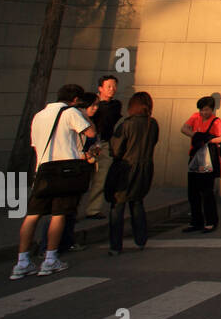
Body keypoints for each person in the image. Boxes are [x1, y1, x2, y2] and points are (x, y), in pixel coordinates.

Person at [11, 84, 98, 280]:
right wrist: (84, 115)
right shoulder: (71, 112)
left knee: (32, 215)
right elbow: (91, 133)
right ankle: (50, 258)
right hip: (65, 170)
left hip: (43, 169)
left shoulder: (39, 115)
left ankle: (22, 262)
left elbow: (35, 145)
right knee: (59, 214)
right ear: (76, 100)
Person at [106, 92, 159, 255]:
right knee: (137, 202)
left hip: (126, 167)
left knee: (117, 206)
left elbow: (116, 149)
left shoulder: (127, 124)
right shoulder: (152, 124)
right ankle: (141, 239)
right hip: (144, 167)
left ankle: (116, 245)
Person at [181, 96, 221, 233]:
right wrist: (195, 135)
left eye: (206, 110)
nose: (204, 113)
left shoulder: (216, 121)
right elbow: (184, 128)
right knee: (193, 191)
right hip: (195, 156)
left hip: (207, 159)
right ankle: (196, 221)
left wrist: (211, 140)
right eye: (202, 110)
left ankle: (211, 221)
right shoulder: (195, 117)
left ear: (212, 109)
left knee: (207, 191)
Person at [81, 74, 123, 219]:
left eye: (114, 86)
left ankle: (93, 209)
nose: (112, 89)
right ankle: (72, 211)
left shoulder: (115, 105)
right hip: (87, 143)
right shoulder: (91, 103)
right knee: (82, 177)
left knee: (101, 177)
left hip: (104, 143)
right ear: (100, 88)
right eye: (108, 86)